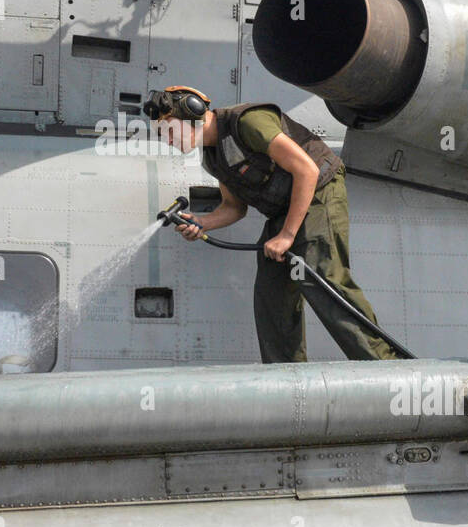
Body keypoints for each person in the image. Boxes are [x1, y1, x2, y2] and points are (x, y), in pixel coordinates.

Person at [145, 85, 399, 362]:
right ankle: (288, 378)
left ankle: (386, 365)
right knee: (271, 298)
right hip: (285, 210)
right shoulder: (212, 157)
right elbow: (234, 208)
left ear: (193, 113)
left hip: (319, 192)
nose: (168, 141)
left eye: (170, 131)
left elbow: (306, 170)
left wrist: (287, 235)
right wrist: (203, 223)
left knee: (323, 278)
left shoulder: (247, 122)